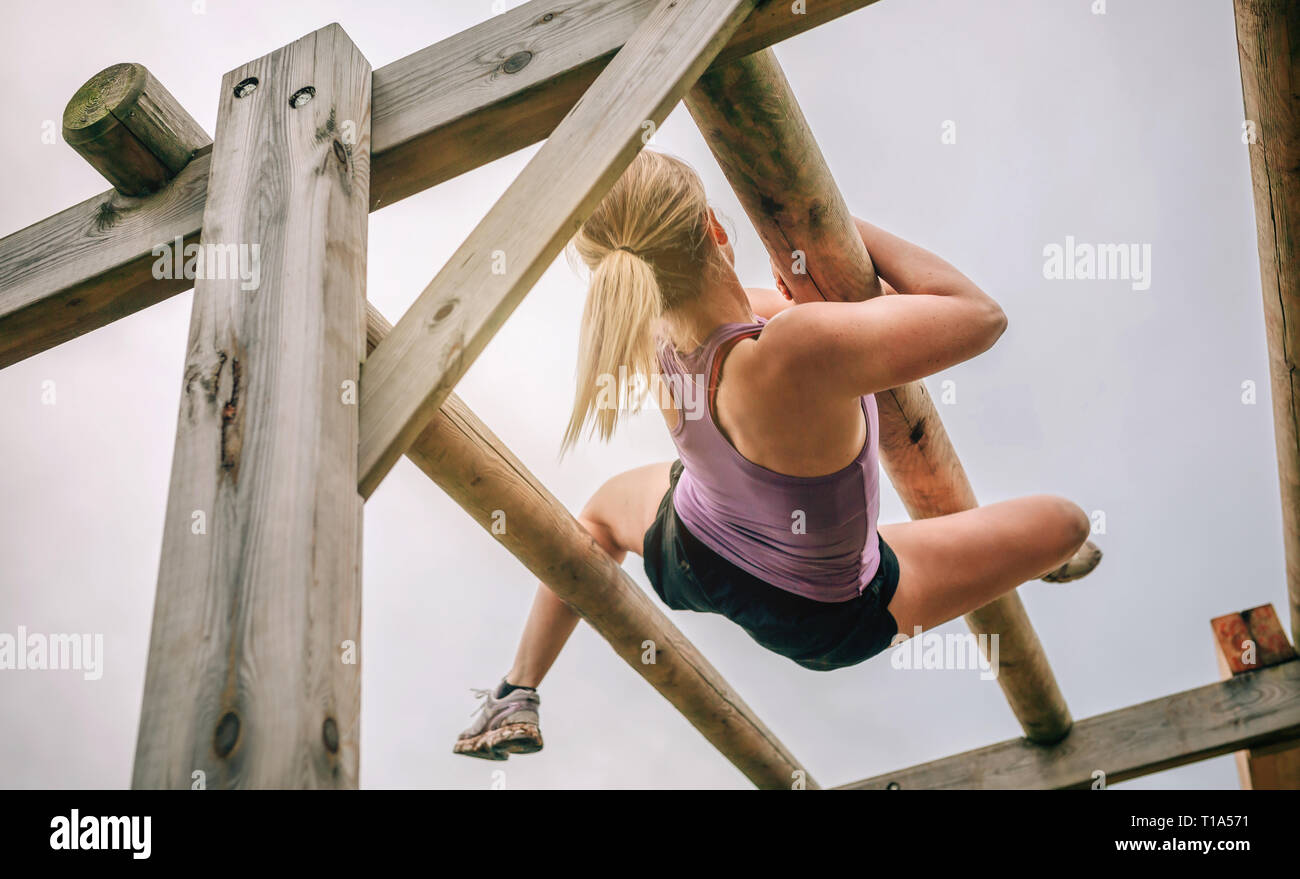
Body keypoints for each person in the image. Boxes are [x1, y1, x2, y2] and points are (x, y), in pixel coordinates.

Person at [454, 150, 1092, 760]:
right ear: (712, 227)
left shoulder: (656, 334)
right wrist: (824, 226)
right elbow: (980, 316)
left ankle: (516, 692)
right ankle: (1030, 557)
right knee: (1066, 524)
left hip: (692, 551)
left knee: (594, 519)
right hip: (822, 613)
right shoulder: (796, 349)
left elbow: (793, 319)